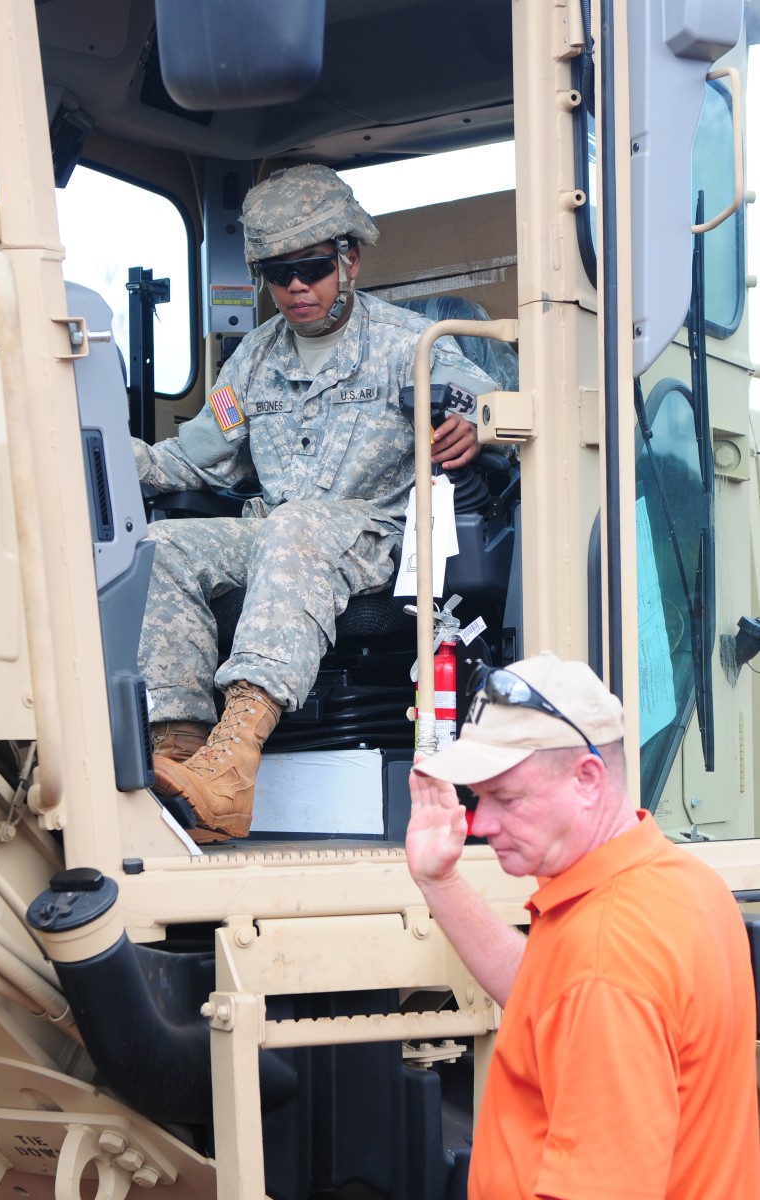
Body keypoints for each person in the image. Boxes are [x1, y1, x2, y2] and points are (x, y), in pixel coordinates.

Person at [133, 163, 496, 843]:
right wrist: (107, 451)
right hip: (283, 537)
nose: (296, 288)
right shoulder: (251, 360)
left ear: (348, 259)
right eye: (278, 273)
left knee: (292, 527)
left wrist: (477, 422)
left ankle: (232, 762)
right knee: (163, 546)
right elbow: (194, 459)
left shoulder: (408, 346)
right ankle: (180, 760)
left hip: (377, 539)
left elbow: (496, 408)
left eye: (312, 268)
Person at [406, 652, 760, 1200]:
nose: (483, 824)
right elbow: (551, 1001)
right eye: (479, 798)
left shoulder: (607, 960)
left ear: (588, 778)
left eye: (506, 797)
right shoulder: (682, 883)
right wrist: (441, 882)